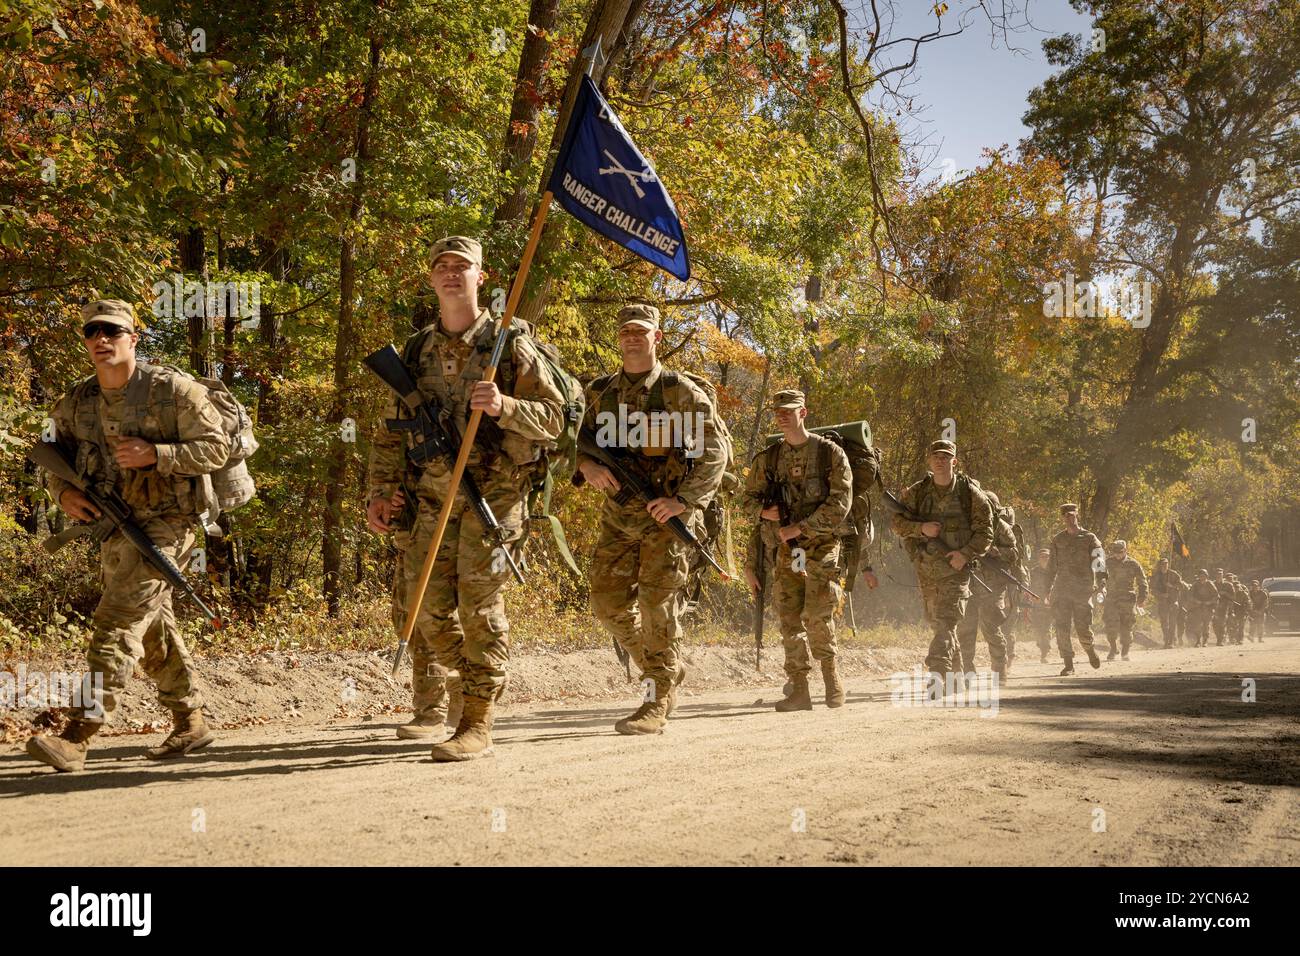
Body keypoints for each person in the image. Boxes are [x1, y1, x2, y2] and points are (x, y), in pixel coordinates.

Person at [366, 236, 564, 761]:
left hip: (493, 500)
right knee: (426, 613)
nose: (451, 274)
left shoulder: (508, 346)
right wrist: (381, 494)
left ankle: (478, 720)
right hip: (431, 499)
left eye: (463, 267)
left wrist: (505, 406)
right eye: (442, 267)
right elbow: (389, 434)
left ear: (483, 277)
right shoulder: (412, 353)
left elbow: (556, 421)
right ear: (431, 278)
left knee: (480, 609)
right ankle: (470, 682)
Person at [26, 299, 229, 772]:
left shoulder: (174, 391)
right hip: (115, 525)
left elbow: (216, 447)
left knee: (117, 620)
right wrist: (63, 496)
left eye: (112, 331)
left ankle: (77, 735)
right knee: (153, 629)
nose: (101, 340)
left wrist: (156, 454)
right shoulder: (76, 402)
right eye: (92, 332)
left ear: (133, 338)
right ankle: (190, 719)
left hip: (170, 523)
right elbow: (51, 454)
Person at [576, 304, 725, 734]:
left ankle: (657, 697)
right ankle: (663, 667)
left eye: (641, 332)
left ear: (657, 338)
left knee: (657, 607)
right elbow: (569, 440)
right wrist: (586, 467)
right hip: (618, 518)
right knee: (606, 603)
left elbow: (714, 452)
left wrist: (685, 502)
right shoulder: (601, 393)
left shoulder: (679, 392)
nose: (632, 338)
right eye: (626, 332)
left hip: (665, 518)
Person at [742, 390, 851, 711]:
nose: (782, 416)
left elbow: (841, 503)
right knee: (789, 619)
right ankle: (800, 690)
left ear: (803, 412)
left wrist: (800, 528)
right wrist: (765, 513)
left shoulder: (828, 454)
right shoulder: (769, 459)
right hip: (785, 551)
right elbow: (747, 502)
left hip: (820, 546)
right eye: (778, 412)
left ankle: (832, 680)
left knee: (817, 615)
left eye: (789, 411)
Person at [890, 440, 994, 684]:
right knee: (938, 624)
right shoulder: (918, 492)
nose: (940, 460)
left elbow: (986, 531)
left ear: (954, 462)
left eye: (946, 457)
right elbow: (897, 524)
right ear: (929, 460)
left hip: (956, 569)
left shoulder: (969, 494)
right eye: (936, 456)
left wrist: (965, 554)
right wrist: (921, 528)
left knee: (947, 621)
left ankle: (938, 673)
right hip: (926, 568)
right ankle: (957, 676)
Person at [953, 487, 1016, 679]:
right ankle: (967, 669)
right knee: (966, 627)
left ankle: (999, 666)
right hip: (970, 582)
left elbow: (1014, 555)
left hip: (993, 586)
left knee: (990, 625)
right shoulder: (967, 526)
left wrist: (995, 551)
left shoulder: (1001, 528)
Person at [1044, 503, 1105, 675]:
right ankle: (1068, 664)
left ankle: (1090, 650)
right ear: (1063, 518)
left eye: (1072, 515)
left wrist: (1102, 582)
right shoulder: (1058, 540)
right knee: (1061, 628)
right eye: (1066, 516)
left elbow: (1099, 561)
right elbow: (1051, 568)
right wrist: (1046, 590)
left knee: (1082, 628)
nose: (1069, 518)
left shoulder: (1089, 538)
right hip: (1062, 590)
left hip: (1082, 590)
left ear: (1077, 516)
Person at [1101, 539, 1148, 661]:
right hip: (1111, 598)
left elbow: (1142, 581)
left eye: (1120, 552)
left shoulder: (1133, 564)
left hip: (1127, 599)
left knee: (1126, 626)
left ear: (1125, 550)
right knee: (1110, 625)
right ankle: (1113, 648)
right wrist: (1100, 591)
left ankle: (1125, 651)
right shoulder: (1108, 563)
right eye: (1115, 552)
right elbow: (1100, 578)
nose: (1117, 555)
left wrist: (1142, 597)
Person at [1149, 558, 1183, 649]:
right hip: (1162, 602)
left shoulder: (1173, 574)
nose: (1164, 566)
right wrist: (1161, 594)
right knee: (1164, 623)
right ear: (1160, 565)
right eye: (1162, 564)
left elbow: (1181, 586)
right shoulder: (1156, 576)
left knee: (1172, 622)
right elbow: (1152, 589)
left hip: (1173, 601)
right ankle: (1166, 640)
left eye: (1166, 564)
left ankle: (1171, 642)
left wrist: (1172, 586)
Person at [1029, 548, 1054, 663]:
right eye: (1042, 557)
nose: (1044, 559)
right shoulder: (1033, 572)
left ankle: (1044, 653)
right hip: (1036, 604)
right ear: (1038, 559)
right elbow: (1028, 587)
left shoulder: (1054, 571)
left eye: (1046, 556)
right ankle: (1042, 647)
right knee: (1038, 629)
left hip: (1050, 605)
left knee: (1046, 629)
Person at [1186, 569, 1219, 647]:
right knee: (1197, 625)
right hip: (1198, 607)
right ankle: (1198, 641)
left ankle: (1205, 641)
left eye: (1204, 576)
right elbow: (1190, 595)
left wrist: (1210, 602)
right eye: (1201, 576)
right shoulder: (1195, 585)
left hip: (1208, 607)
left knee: (1206, 625)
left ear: (1206, 576)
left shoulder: (1210, 584)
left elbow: (1216, 596)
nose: (1202, 577)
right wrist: (1196, 601)